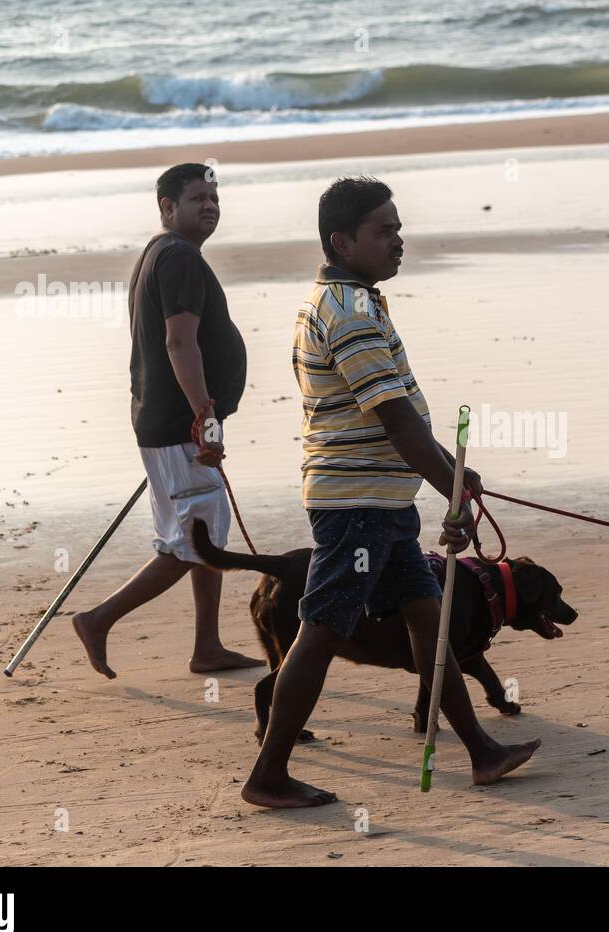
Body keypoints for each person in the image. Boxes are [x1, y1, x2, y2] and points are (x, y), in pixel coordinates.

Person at [241, 177, 540, 808]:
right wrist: (452, 492)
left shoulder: (354, 299)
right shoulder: (347, 314)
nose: (398, 240)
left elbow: (404, 422)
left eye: (399, 228)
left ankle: (482, 753)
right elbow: (397, 420)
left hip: (382, 502)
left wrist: (454, 482)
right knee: (321, 629)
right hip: (357, 508)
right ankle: (268, 776)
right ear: (341, 241)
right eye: (385, 231)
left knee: (429, 626)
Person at [73, 163, 262, 680]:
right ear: (167, 207)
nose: (210, 205)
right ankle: (98, 618)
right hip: (181, 424)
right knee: (193, 543)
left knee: (204, 530)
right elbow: (179, 342)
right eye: (198, 197)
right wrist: (205, 417)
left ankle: (207, 646)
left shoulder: (165, 253)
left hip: (171, 421)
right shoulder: (177, 256)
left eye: (215, 198)